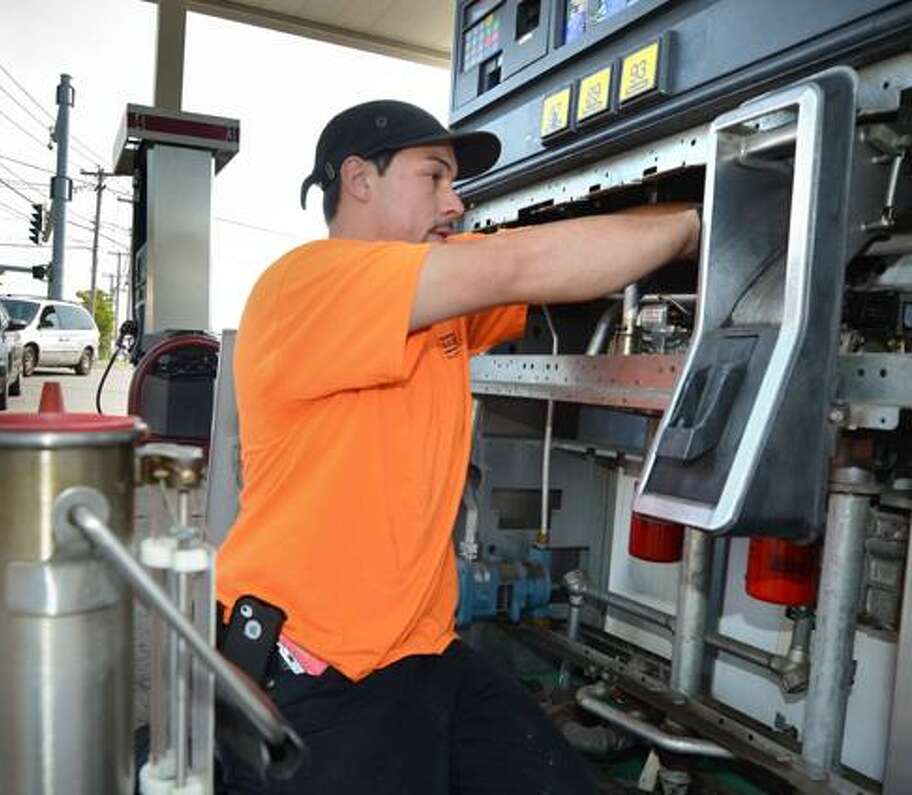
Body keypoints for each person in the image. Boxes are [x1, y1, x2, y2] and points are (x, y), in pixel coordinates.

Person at [215, 99, 699, 794]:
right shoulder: (309, 282)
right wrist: (697, 226)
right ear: (359, 179)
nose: (457, 199)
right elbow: (519, 266)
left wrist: (700, 205)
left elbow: (555, 256)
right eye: (434, 176)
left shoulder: (432, 288)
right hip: (314, 666)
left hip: (422, 651)